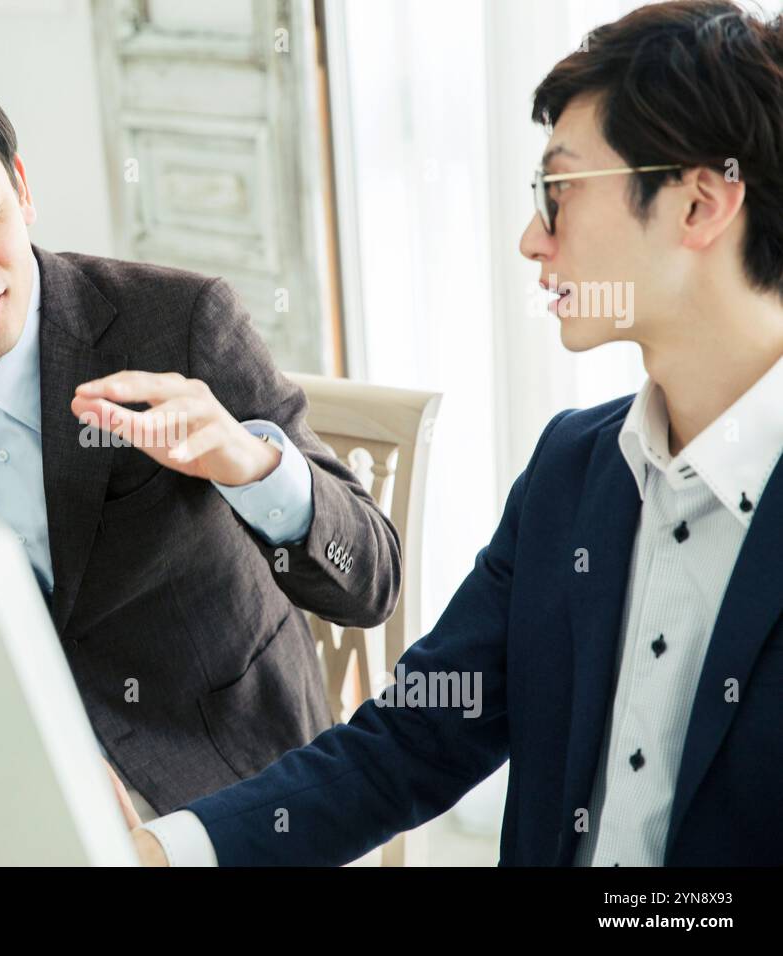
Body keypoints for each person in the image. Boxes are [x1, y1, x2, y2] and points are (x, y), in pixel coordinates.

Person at [126, 0, 783, 865]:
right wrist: (161, 854)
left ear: (700, 203)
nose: (529, 239)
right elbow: (412, 742)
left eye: (558, 193)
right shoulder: (571, 472)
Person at [0, 44, 401, 817]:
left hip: (223, 783)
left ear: (23, 187)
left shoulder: (180, 323)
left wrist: (248, 465)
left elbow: (372, 581)